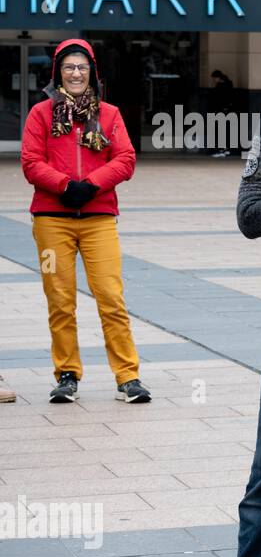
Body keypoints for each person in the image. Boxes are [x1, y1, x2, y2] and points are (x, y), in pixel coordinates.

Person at [20, 38, 151, 405]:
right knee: (59, 299)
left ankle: (128, 376)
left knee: (111, 296)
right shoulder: (40, 115)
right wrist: (64, 186)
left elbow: (125, 158)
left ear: (91, 72)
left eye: (81, 67)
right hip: (50, 219)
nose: (76, 73)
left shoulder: (109, 114)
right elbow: (31, 162)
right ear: (57, 72)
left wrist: (90, 184)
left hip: (98, 218)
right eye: (68, 67)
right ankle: (66, 374)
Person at [209, 70, 236, 158]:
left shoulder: (224, 86)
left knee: (222, 131)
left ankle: (224, 149)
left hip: (223, 111)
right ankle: (225, 149)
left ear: (218, 77)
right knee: (223, 131)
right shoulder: (227, 84)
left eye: (214, 78)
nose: (213, 80)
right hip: (224, 110)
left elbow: (222, 98)